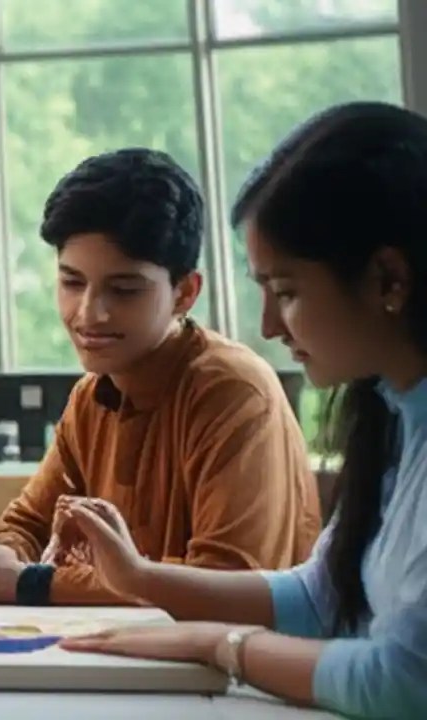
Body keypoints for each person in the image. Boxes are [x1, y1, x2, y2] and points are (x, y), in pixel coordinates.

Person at [51, 102, 427, 719]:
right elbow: (319, 595)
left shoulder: (234, 390)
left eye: (287, 292)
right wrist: (139, 578)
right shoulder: (391, 411)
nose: (268, 325)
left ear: (389, 279)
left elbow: (405, 681)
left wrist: (221, 645)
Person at [0, 148, 320, 605]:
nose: (89, 313)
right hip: (132, 659)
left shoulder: (234, 393)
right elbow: (27, 525)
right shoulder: (92, 396)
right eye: (72, 283)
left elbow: (229, 578)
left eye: (124, 290)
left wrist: (32, 582)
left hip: (237, 669)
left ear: (185, 292)